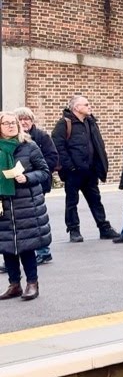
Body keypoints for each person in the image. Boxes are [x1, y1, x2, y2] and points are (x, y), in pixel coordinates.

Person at [0, 112, 53, 301]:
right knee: (7, 246)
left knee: (27, 246)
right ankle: (14, 285)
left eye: (13, 123)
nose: (10, 126)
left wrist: (27, 178)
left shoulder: (29, 147)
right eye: (5, 123)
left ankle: (32, 283)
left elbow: (44, 172)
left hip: (26, 204)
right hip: (3, 205)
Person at [52, 95, 119, 242]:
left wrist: (99, 165)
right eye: (86, 104)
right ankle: (74, 230)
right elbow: (58, 147)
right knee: (72, 202)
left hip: (90, 171)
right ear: (76, 108)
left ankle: (104, 228)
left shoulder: (91, 122)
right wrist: (70, 167)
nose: (90, 106)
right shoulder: (64, 124)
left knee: (96, 200)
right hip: (73, 173)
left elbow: (97, 144)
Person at [15, 108, 57, 265]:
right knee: (20, 220)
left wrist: (34, 174)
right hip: (16, 185)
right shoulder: (12, 139)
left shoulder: (41, 137)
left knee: (36, 218)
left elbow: (52, 158)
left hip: (36, 184)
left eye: (27, 119)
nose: (24, 122)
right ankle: (17, 253)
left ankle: (43, 251)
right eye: (21, 119)